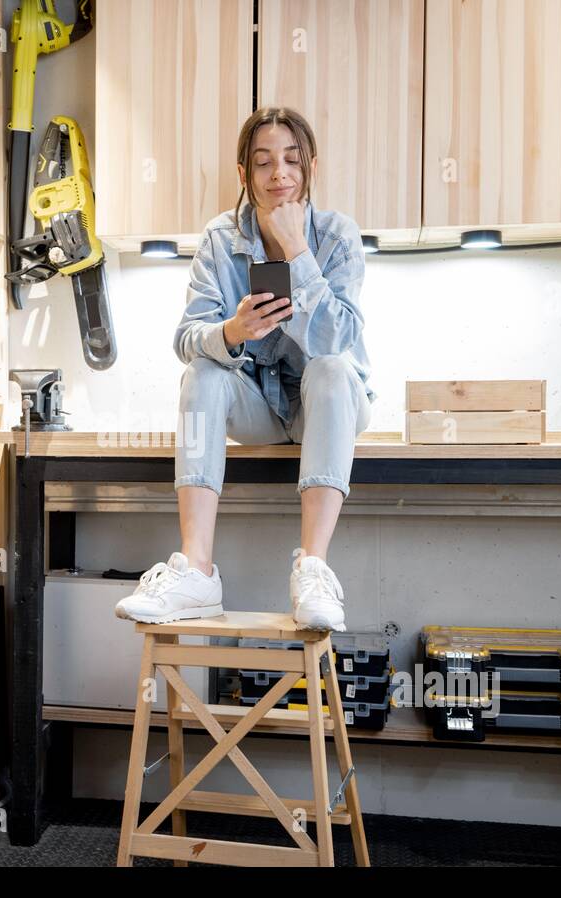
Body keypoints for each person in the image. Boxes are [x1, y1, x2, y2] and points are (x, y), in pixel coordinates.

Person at [115, 106, 374, 631]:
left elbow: (336, 339)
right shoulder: (219, 239)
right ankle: (197, 572)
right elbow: (187, 339)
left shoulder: (337, 236)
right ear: (244, 175)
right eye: (263, 163)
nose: (279, 174)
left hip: (325, 406)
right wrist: (232, 331)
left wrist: (298, 249)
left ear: (310, 169)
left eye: (291, 160)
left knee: (327, 368)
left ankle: (314, 569)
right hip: (256, 406)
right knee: (203, 372)